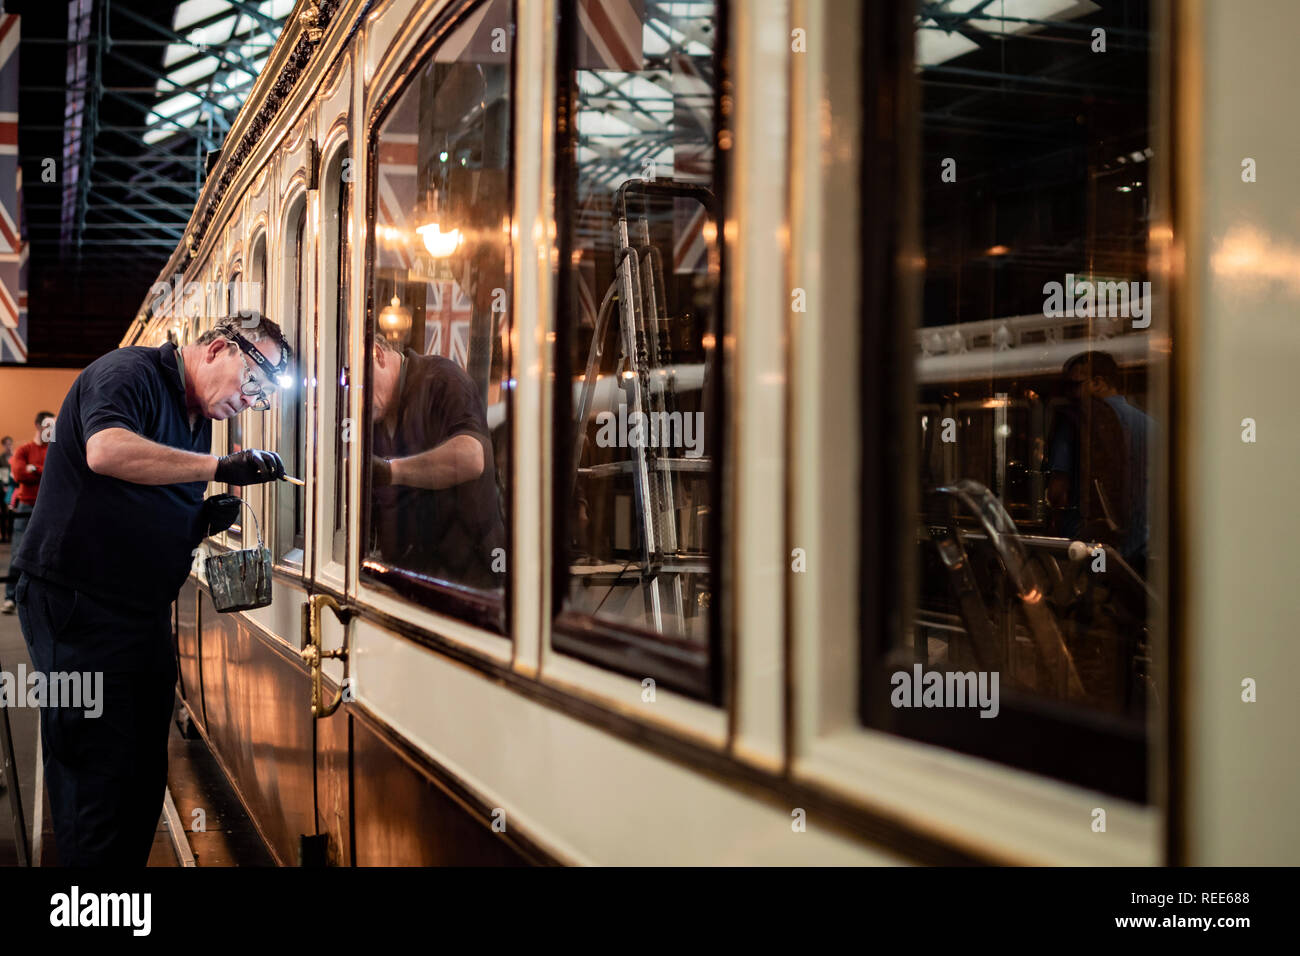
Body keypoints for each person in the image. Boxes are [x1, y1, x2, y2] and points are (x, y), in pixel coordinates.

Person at [13, 317, 292, 866]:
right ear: (217, 348)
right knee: (95, 772)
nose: (251, 400)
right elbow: (108, 452)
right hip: (77, 604)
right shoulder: (129, 374)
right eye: (253, 383)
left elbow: (145, 495)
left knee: (141, 770)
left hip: (136, 611)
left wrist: (199, 519)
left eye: (261, 397)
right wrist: (219, 467)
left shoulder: (197, 416)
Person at [368, 334, 505, 589]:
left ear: (376, 354)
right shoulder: (372, 416)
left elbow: (472, 457)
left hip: (469, 583)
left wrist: (390, 471)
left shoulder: (443, 379)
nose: (355, 395)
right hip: (405, 581)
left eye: (355, 381)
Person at [1058, 350, 1155, 569]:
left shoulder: (1077, 424)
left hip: (1089, 549)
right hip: (1140, 550)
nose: (1070, 394)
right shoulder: (1151, 426)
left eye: (1075, 386)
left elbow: (1058, 492)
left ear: (1098, 383)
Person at [1, 412, 54, 613]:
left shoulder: (54, 448)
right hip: (26, 506)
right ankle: (10, 598)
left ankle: (40, 600)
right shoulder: (24, 449)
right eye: (49, 425)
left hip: (48, 507)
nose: (51, 430)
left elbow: (57, 473)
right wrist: (39, 471)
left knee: (47, 554)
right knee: (18, 552)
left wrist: (35, 469)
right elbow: (19, 473)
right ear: (39, 426)